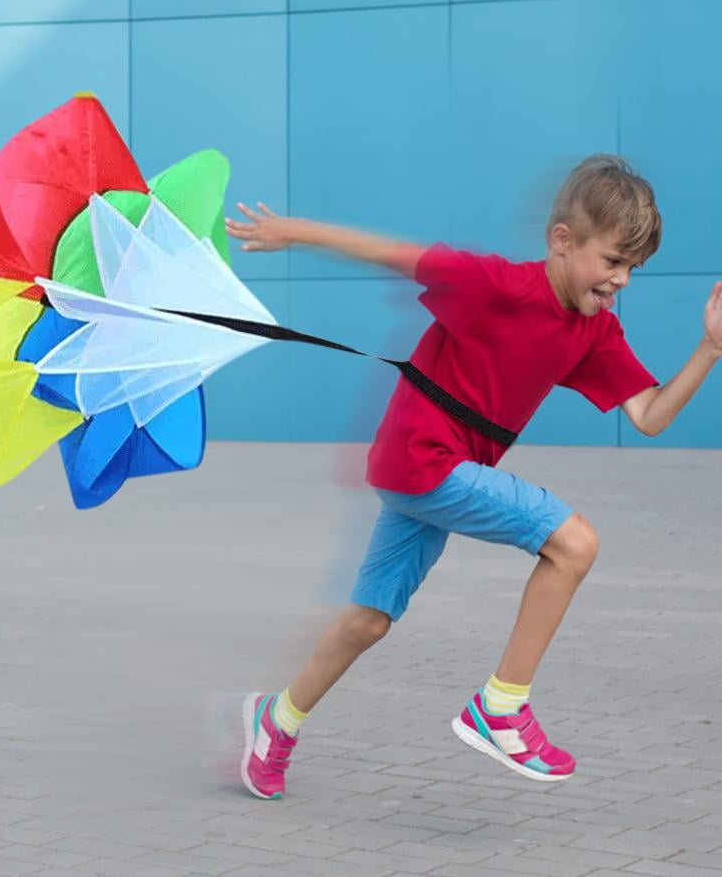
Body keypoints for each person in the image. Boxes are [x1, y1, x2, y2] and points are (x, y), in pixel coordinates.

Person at [225, 155, 722, 798]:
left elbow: (649, 414)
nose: (622, 280)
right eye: (612, 262)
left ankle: (276, 720)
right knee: (574, 543)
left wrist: (710, 348)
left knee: (369, 621)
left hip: (429, 476)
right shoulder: (492, 284)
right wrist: (291, 229)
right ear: (562, 241)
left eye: (633, 268)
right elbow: (392, 253)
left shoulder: (594, 331)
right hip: (422, 460)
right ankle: (502, 706)